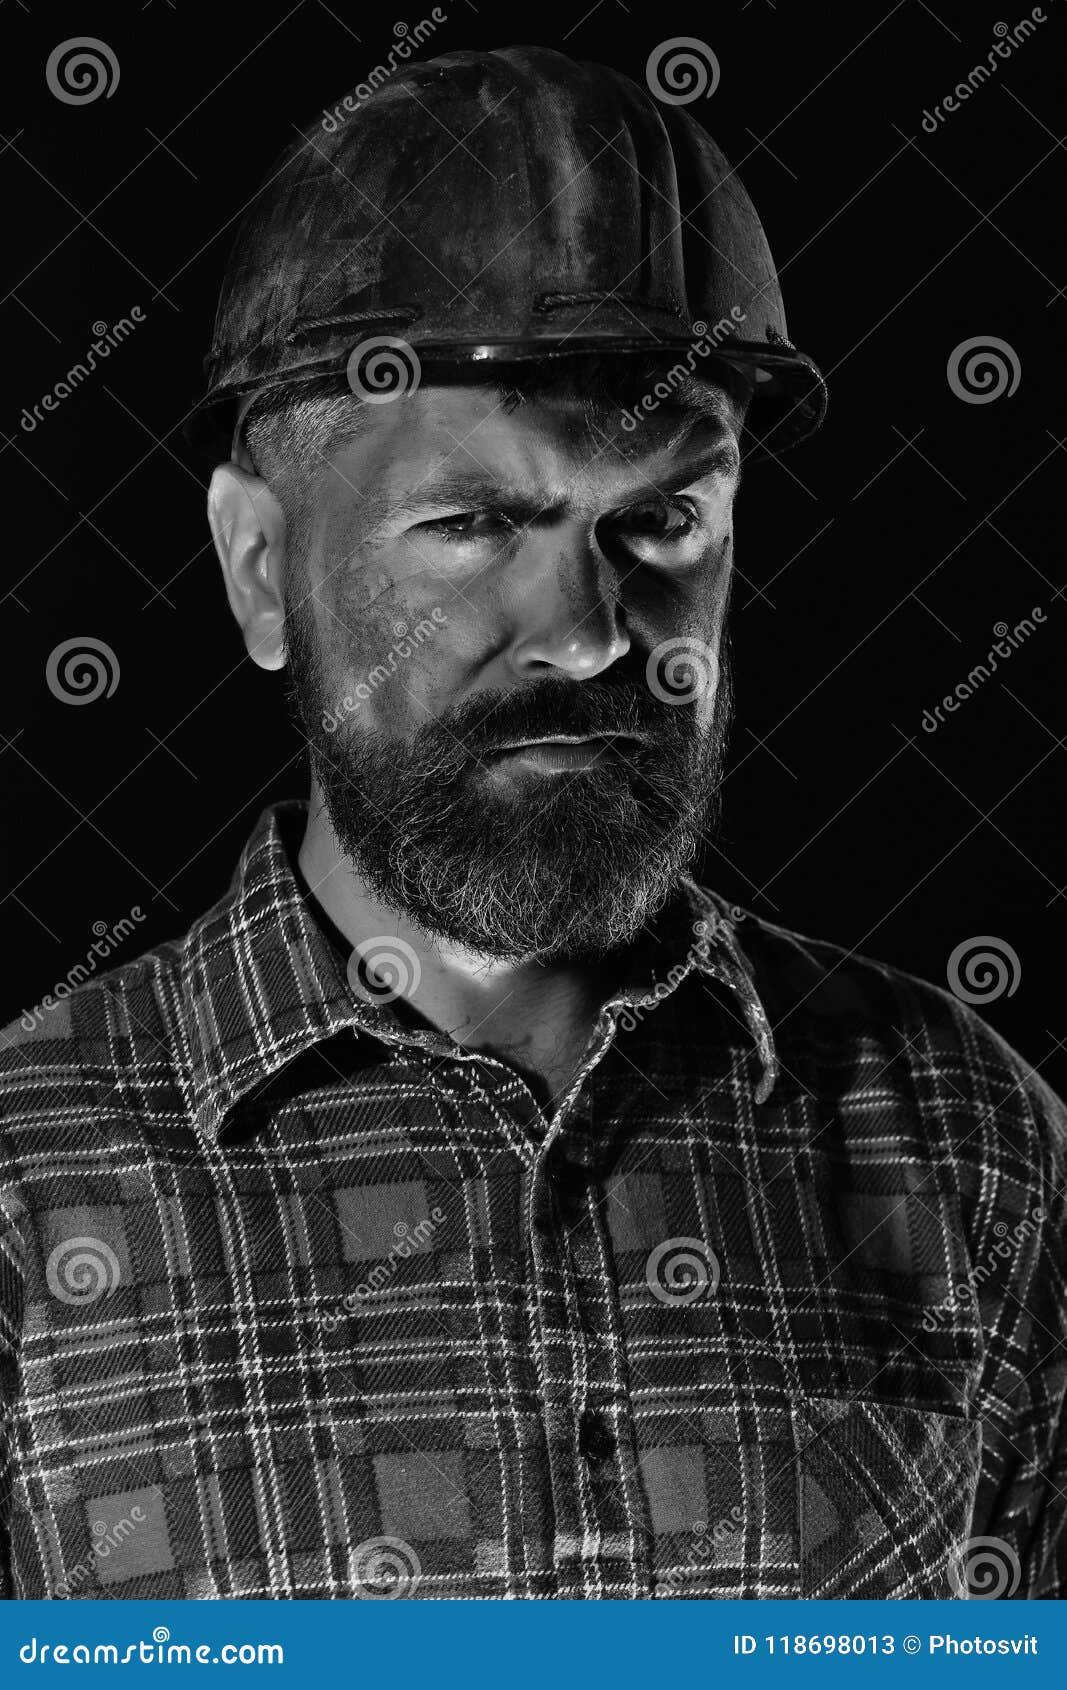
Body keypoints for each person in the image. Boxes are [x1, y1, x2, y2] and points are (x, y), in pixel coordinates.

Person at [0, 45, 1063, 1602]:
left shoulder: (974, 1148)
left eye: (662, 521)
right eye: (477, 523)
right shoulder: (29, 1196)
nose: (582, 633)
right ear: (256, 571)